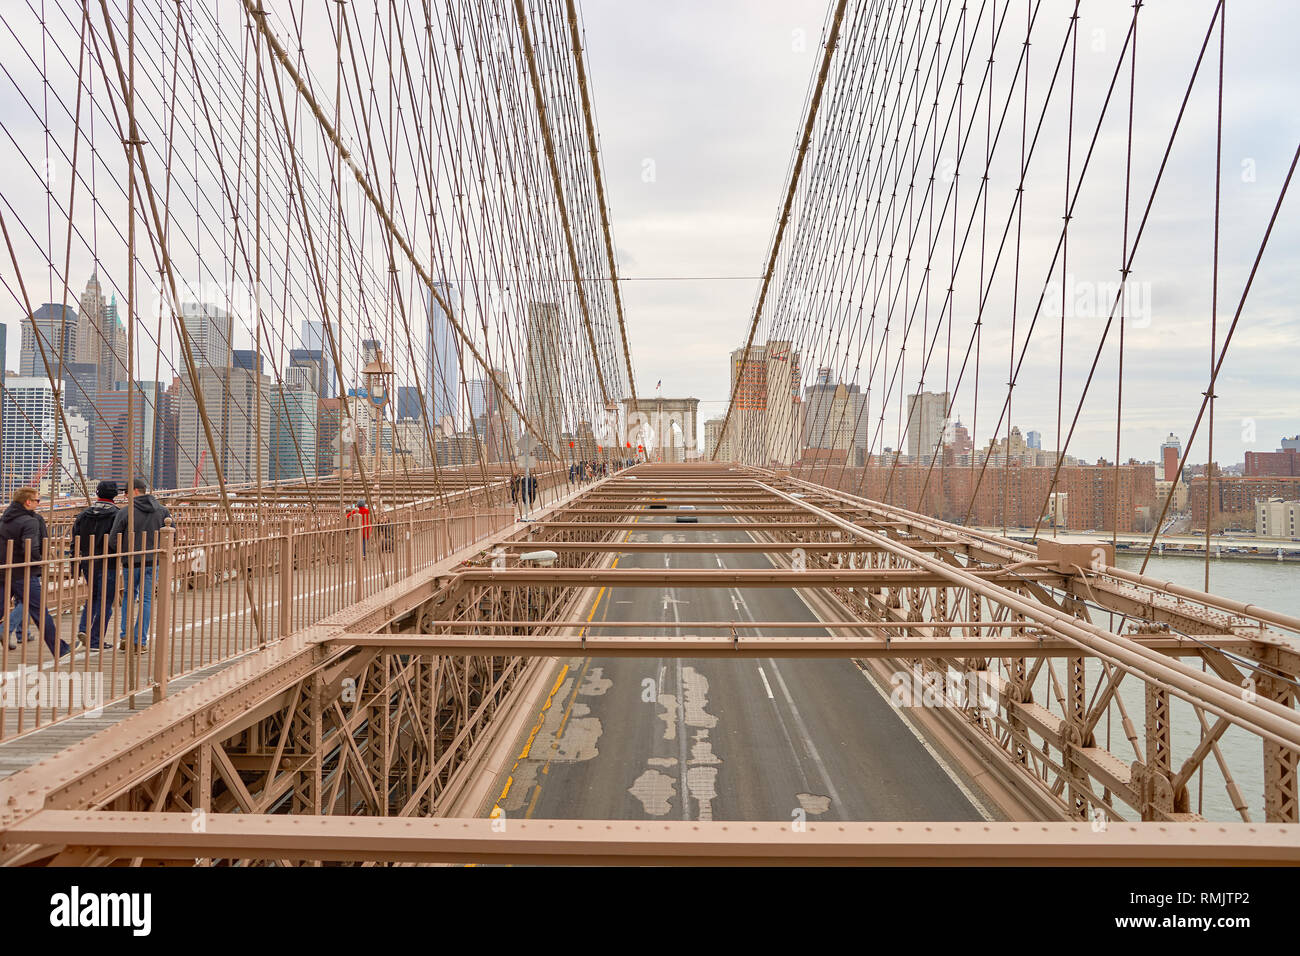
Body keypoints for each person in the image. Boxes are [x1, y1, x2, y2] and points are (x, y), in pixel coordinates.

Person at [0, 487, 71, 657]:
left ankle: (5, 629)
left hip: (3, 571)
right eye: (37, 500)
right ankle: (59, 649)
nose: (39, 503)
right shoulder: (29, 521)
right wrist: (39, 560)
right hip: (23, 572)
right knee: (40, 611)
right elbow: (30, 546)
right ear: (28, 502)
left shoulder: (4, 520)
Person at [110, 478, 171, 650]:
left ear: (135, 491)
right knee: (146, 600)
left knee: (129, 597)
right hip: (153, 561)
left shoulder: (126, 511)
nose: (125, 496)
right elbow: (172, 535)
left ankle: (125, 636)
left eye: (126, 493)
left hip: (131, 561)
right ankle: (139, 641)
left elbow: (113, 539)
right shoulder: (162, 511)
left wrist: (125, 552)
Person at [69, 481, 120, 649]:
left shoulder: (84, 515)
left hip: (87, 561)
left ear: (97, 493)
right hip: (108, 562)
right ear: (115, 495)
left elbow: (74, 540)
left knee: (93, 596)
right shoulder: (116, 515)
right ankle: (96, 639)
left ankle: (84, 629)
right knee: (105, 601)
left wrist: (74, 563)